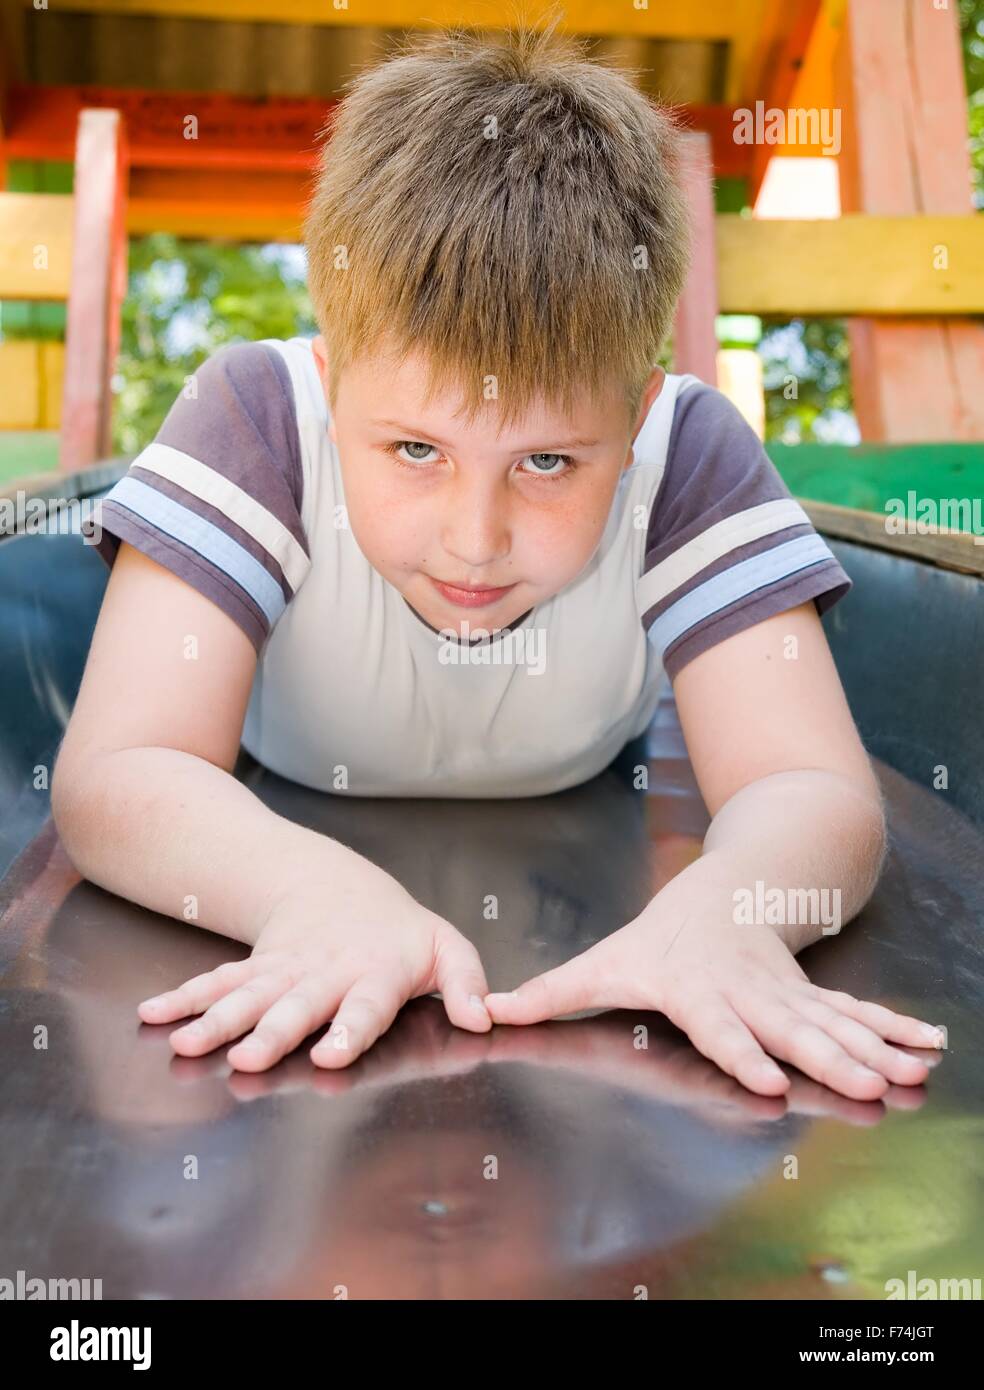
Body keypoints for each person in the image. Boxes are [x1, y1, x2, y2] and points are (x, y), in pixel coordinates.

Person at [53, 25, 943, 1100]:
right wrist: (307, 893)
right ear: (335, 393)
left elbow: (810, 784)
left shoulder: (688, 448)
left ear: (639, 413)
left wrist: (731, 912)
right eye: (416, 450)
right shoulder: (258, 417)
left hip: (586, 811)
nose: (476, 536)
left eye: (551, 460)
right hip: (286, 804)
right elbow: (118, 769)